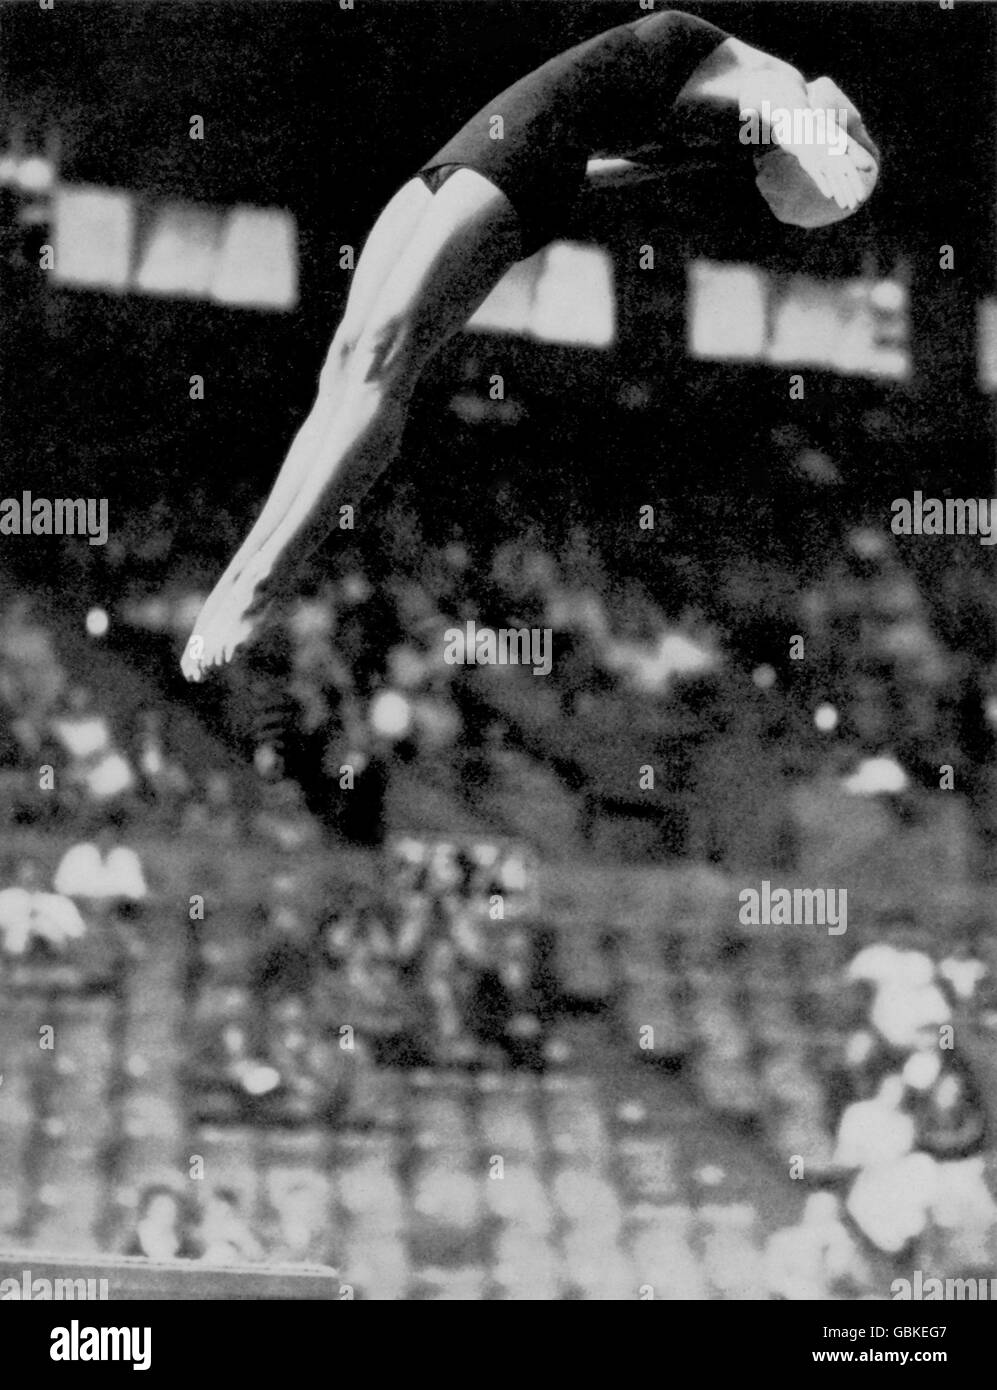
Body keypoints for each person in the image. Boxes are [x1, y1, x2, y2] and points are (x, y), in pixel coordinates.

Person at [181, 9, 879, 681]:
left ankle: (264, 582)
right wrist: (811, 133)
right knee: (347, 358)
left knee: (383, 358)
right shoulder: (765, 83)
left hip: (523, 152)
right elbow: (776, 98)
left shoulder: (734, 129)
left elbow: (623, 160)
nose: (763, 182)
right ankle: (240, 573)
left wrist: (802, 136)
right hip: (497, 141)